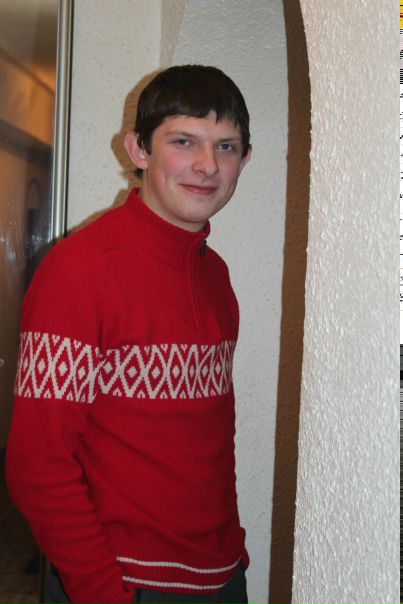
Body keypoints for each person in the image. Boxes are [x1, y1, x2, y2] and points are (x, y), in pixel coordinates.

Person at [6, 65, 252, 604]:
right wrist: (103, 592)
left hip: (221, 576)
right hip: (125, 583)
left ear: (245, 159)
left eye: (226, 146)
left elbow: (211, 439)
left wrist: (232, 554)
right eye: (184, 141)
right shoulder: (78, 270)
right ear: (138, 150)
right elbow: (37, 464)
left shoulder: (216, 276)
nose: (208, 165)